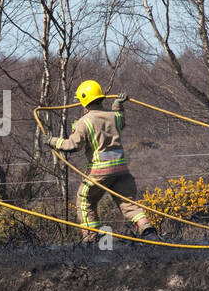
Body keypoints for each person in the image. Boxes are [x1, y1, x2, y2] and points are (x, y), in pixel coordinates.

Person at [48, 80, 158, 242]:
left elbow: (72, 146)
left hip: (100, 171)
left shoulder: (84, 121)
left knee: (85, 200)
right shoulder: (113, 116)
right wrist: (118, 105)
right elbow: (120, 119)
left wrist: (51, 141)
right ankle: (147, 229)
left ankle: (91, 236)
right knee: (128, 202)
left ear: (84, 101)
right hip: (121, 170)